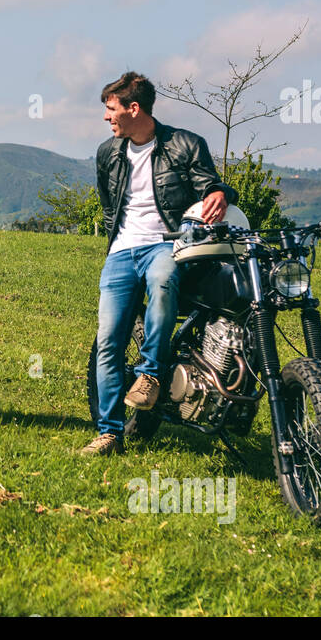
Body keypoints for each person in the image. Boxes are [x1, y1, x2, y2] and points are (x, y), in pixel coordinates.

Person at [81, 71, 238, 456]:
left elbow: (209, 184)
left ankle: (151, 373)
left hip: (166, 245)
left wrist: (220, 191)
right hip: (120, 252)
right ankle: (109, 433)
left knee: (164, 280)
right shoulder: (108, 153)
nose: (106, 117)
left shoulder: (184, 145)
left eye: (111, 109)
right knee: (108, 341)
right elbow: (109, 205)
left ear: (134, 108)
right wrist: (117, 242)